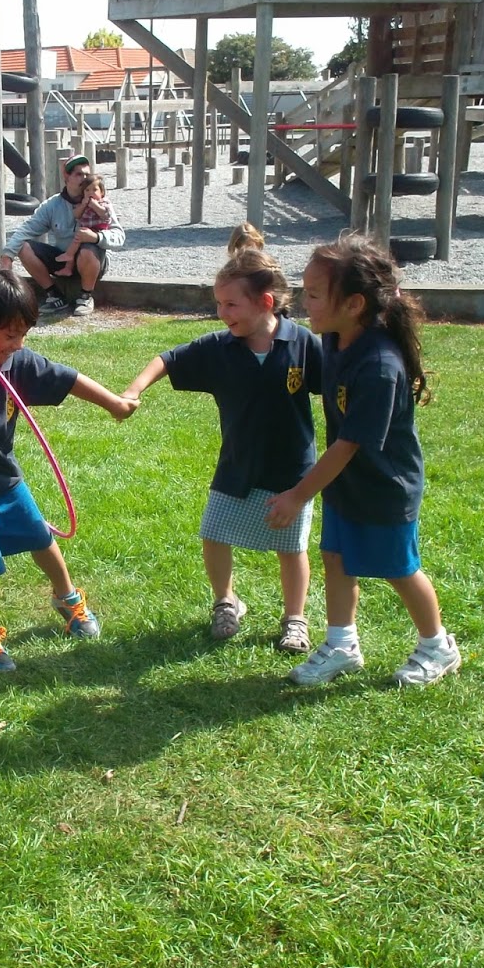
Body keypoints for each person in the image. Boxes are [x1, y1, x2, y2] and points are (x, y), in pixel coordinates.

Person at [266, 233, 461, 688]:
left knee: (398, 568)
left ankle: (438, 646)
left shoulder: (378, 366)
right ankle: (342, 645)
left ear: (354, 304)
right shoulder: (336, 340)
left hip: (383, 486)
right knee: (335, 557)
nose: (305, 303)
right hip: (346, 483)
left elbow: (348, 445)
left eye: (315, 295)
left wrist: (298, 495)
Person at [0, 266, 137, 672]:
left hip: (3, 478)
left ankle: (67, 597)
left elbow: (66, 378)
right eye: (9, 335)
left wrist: (114, 403)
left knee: (40, 536)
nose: (18, 344)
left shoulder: (17, 359)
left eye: (23, 334)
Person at [122, 227, 321, 651]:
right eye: (218, 303)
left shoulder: (301, 342)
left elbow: (339, 383)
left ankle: (295, 619)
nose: (221, 313)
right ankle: (226, 601)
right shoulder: (220, 348)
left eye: (230, 304)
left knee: (291, 547)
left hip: (291, 470)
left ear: (264, 302)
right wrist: (133, 390)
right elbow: (168, 359)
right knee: (214, 533)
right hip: (237, 465)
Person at [0, 154, 126, 319]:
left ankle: (85, 297)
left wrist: (96, 237)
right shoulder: (52, 205)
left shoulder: (101, 203)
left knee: (88, 249)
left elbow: (119, 236)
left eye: (87, 174)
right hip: (63, 260)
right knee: (24, 247)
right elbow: (26, 229)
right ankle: (54, 296)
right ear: (67, 177)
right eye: (79, 174)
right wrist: (7, 255)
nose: (84, 179)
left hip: (92, 260)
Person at [53, 172, 116, 278]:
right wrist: (83, 205)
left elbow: (105, 215)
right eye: (87, 190)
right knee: (75, 243)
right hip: (85, 229)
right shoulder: (83, 203)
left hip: (98, 230)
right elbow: (76, 215)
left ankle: (69, 255)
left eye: (94, 190)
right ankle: (68, 267)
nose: (91, 193)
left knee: (78, 243)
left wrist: (95, 205)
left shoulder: (103, 202)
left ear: (102, 192)